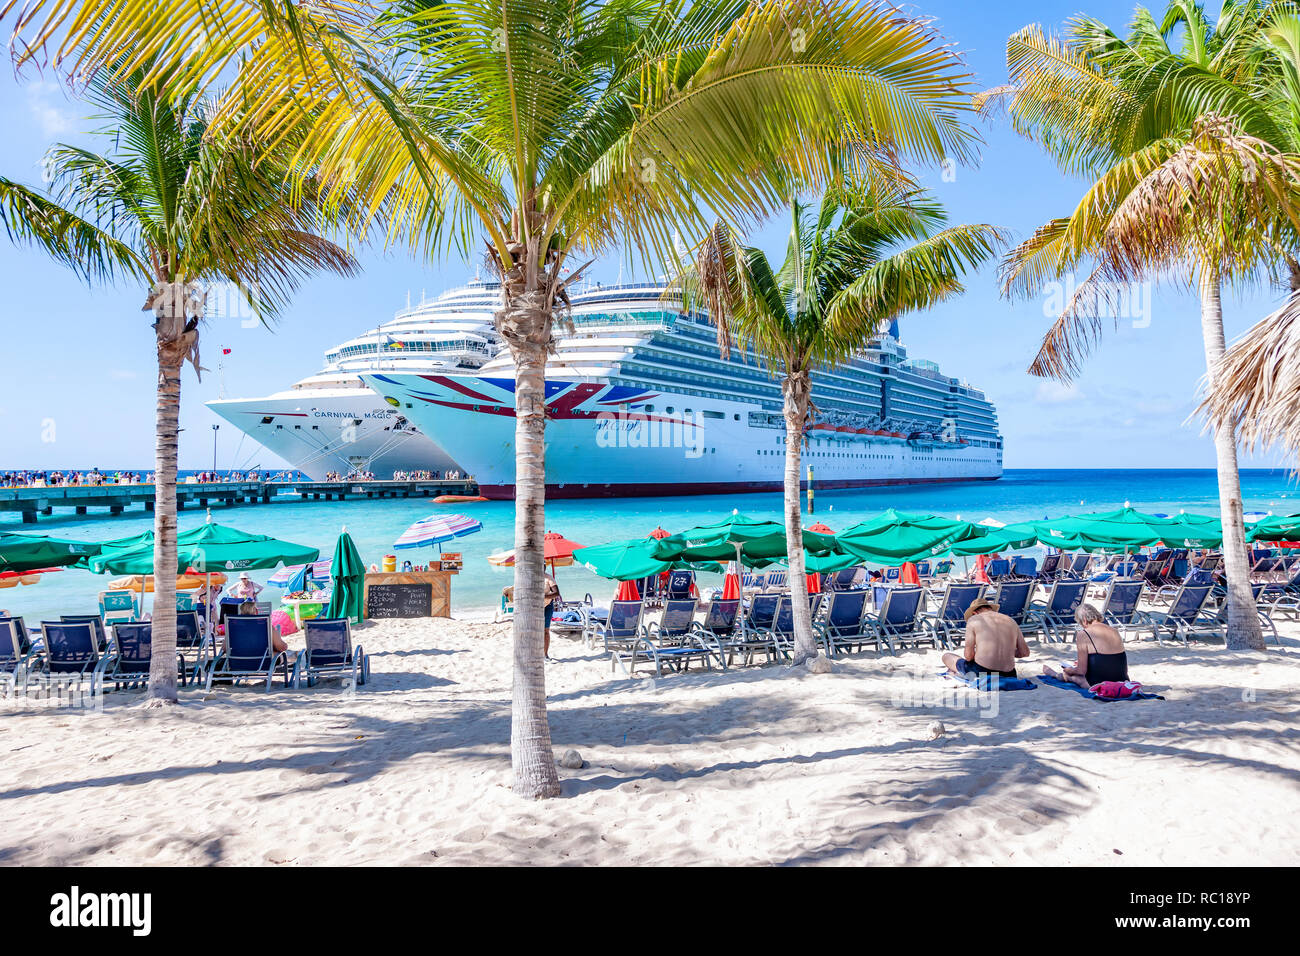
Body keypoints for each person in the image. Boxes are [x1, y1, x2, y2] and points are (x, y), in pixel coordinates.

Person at [1042, 603, 1128, 689]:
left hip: (1098, 683)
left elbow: (1081, 671)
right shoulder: (1114, 630)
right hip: (1121, 679)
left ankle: (1056, 675)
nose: (1082, 626)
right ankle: (1058, 674)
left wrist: (1070, 670)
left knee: (1073, 676)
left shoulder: (1083, 634)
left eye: (1080, 623)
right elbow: (1112, 658)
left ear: (1084, 620)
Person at [942, 598, 1029, 679]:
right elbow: (1024, 653)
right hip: (1009, 674)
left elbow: (968, 656)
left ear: (974, 613)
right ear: (990, 608)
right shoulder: (1011, 620)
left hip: (983, 672)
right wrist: (1006, 652)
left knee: (947, 656)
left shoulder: (974, 620)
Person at [543, 572, 562, 662]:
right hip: (534, 607)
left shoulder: (548, 578)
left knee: (546, 631)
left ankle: (545, 654)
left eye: (543, 566)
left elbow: (556, 593)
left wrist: (544, 596)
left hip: (547, 606)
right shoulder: (530, 576)